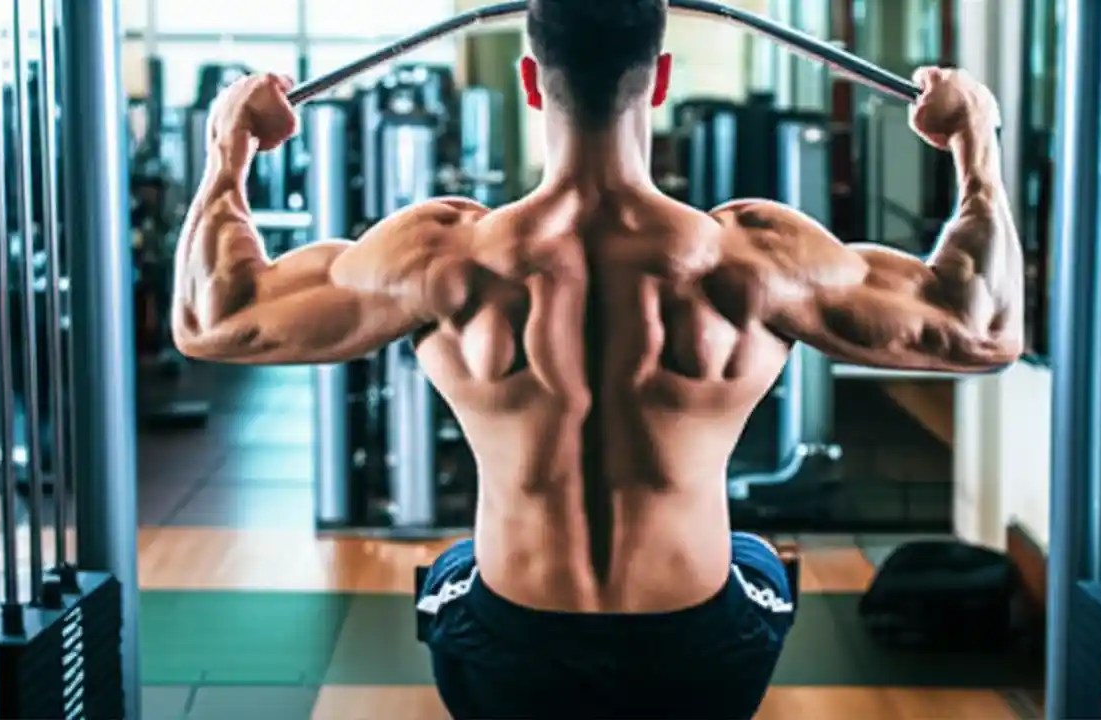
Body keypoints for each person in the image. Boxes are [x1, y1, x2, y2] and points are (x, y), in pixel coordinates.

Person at [171, 1, 1022, 716]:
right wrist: (975, 143)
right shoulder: (752, 257)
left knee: (461, 571)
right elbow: (978, 328)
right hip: (700, 648)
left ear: (532, 82)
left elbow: (216, 319)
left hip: (512, 645)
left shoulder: (442, 254)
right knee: (757, 563)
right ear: (658, 79)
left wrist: (230, 147)